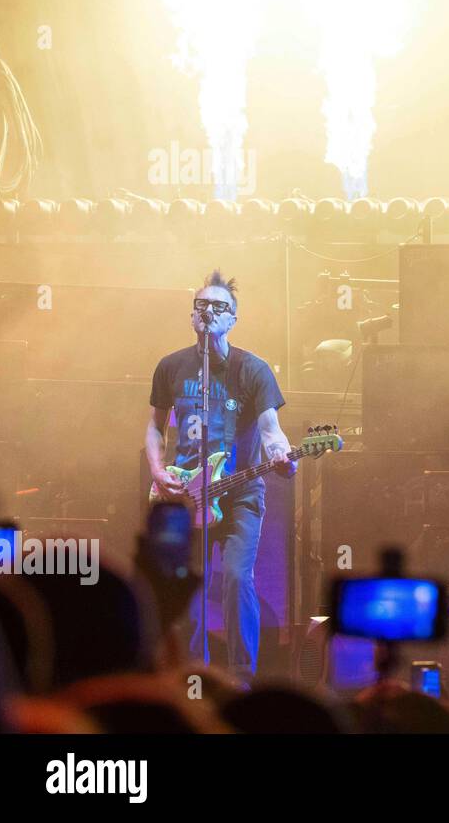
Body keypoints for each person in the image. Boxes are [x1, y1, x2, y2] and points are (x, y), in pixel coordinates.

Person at [145, 270, 295, 679]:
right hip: (184, 493)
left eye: (219, 307)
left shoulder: (254, 369)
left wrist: (281, 455)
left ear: (233, 319)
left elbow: (270, 430)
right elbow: (156, 427)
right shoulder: (171, 366)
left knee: (234, 577)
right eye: (201, 306)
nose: (208, 312)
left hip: (240, 491)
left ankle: (240, 677)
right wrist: (159, 471)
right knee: (184, 588)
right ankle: (189, 677)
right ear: (192, 315)